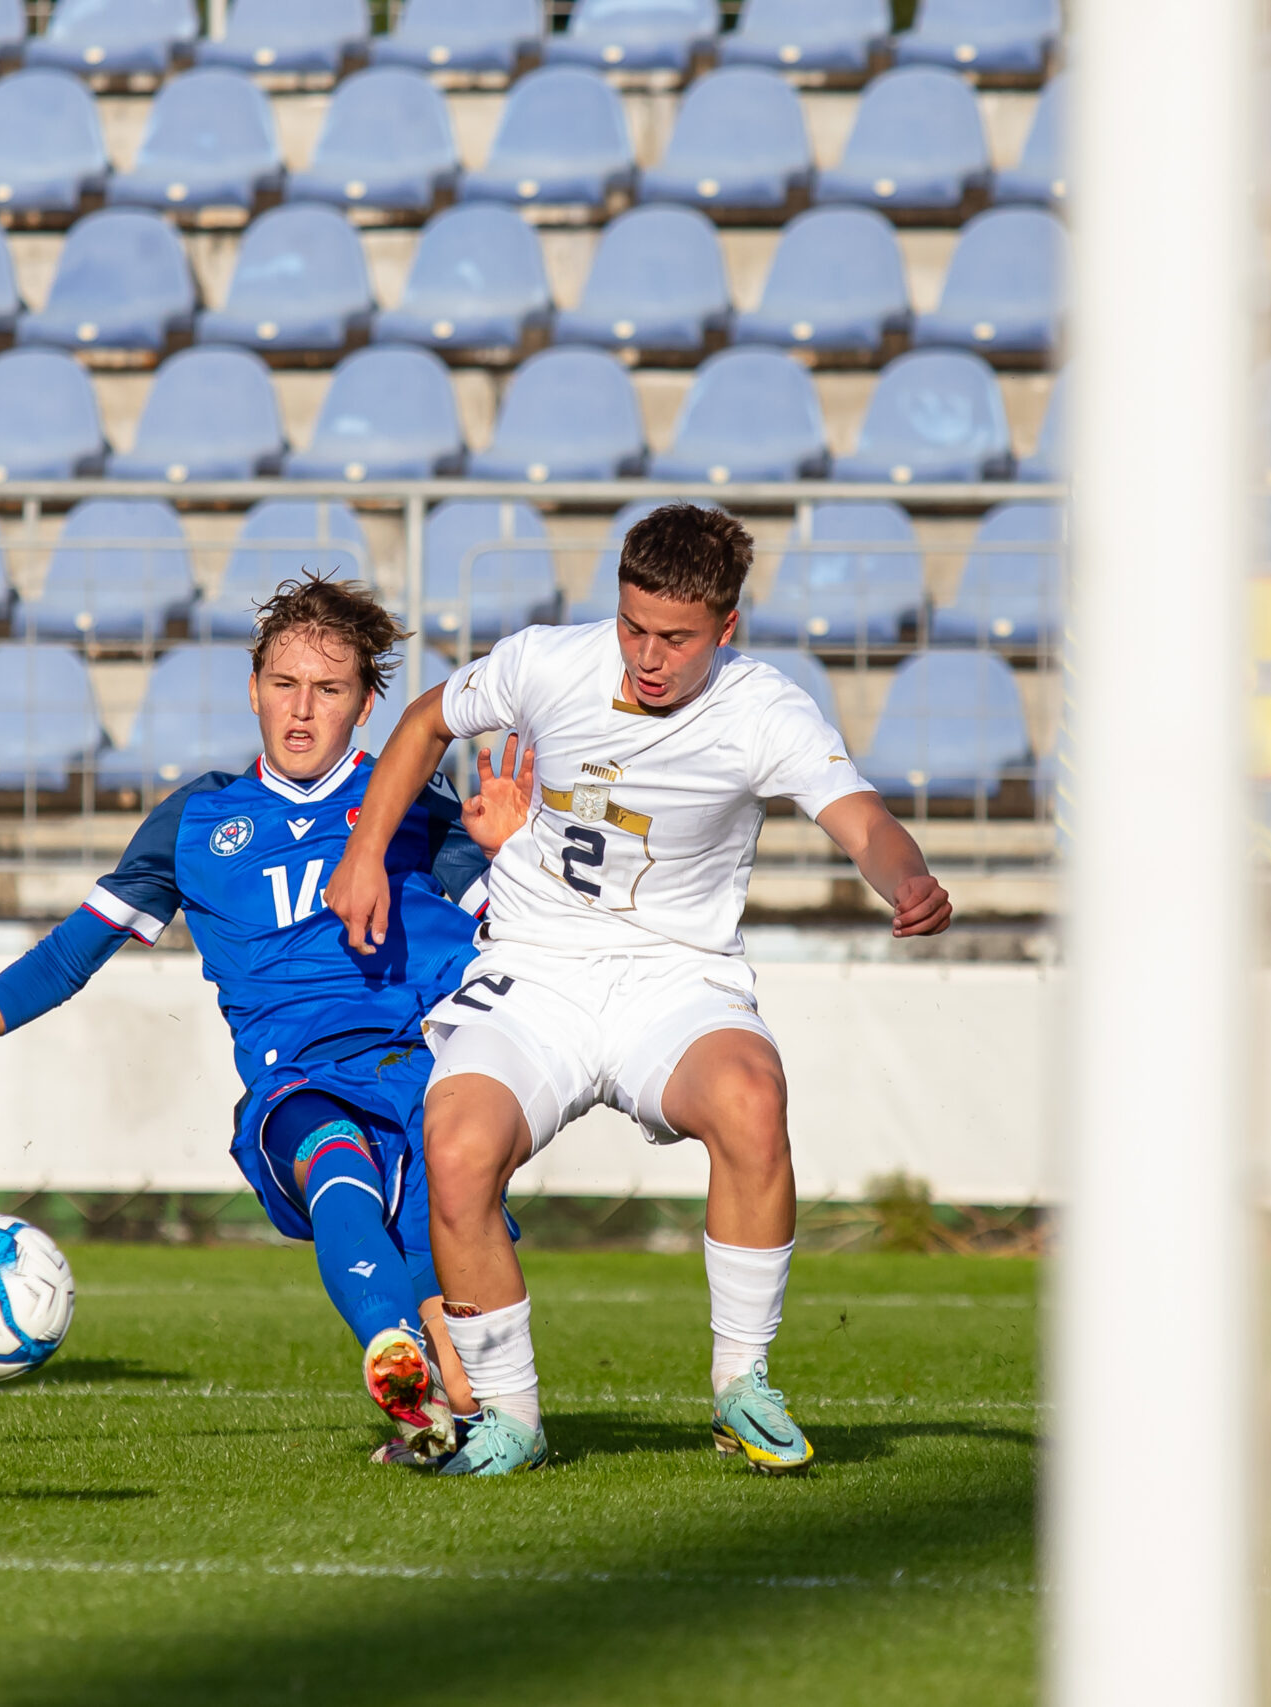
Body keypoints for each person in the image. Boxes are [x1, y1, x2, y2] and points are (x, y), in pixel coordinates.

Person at [0, 577, 533, 1456]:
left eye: (329, 689)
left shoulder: (421, 817)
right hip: (300, 1083)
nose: (302, 711)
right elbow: (65, 958)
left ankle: (434, 1406)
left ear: (366, 702)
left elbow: (532, 946)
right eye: (285, 684)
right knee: (333, 1164)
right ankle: (389, 1353)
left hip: (433, 1081)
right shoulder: (199, 822)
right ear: (252, 687)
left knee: (459, 1353)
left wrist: (517, 860)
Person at [325, 502, 954, 1479]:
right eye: (632, 627)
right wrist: (365, 851)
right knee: (454, 1146)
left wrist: (905, 879)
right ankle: (510, 1421)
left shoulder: (764, 709)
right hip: (536, 971)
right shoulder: (547, 662)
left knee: (751, 1097)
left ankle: (739, 1388)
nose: (646, 656)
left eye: (674, 638)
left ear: (725, 631)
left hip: (676, 980)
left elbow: (861, 819)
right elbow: (422, 721)